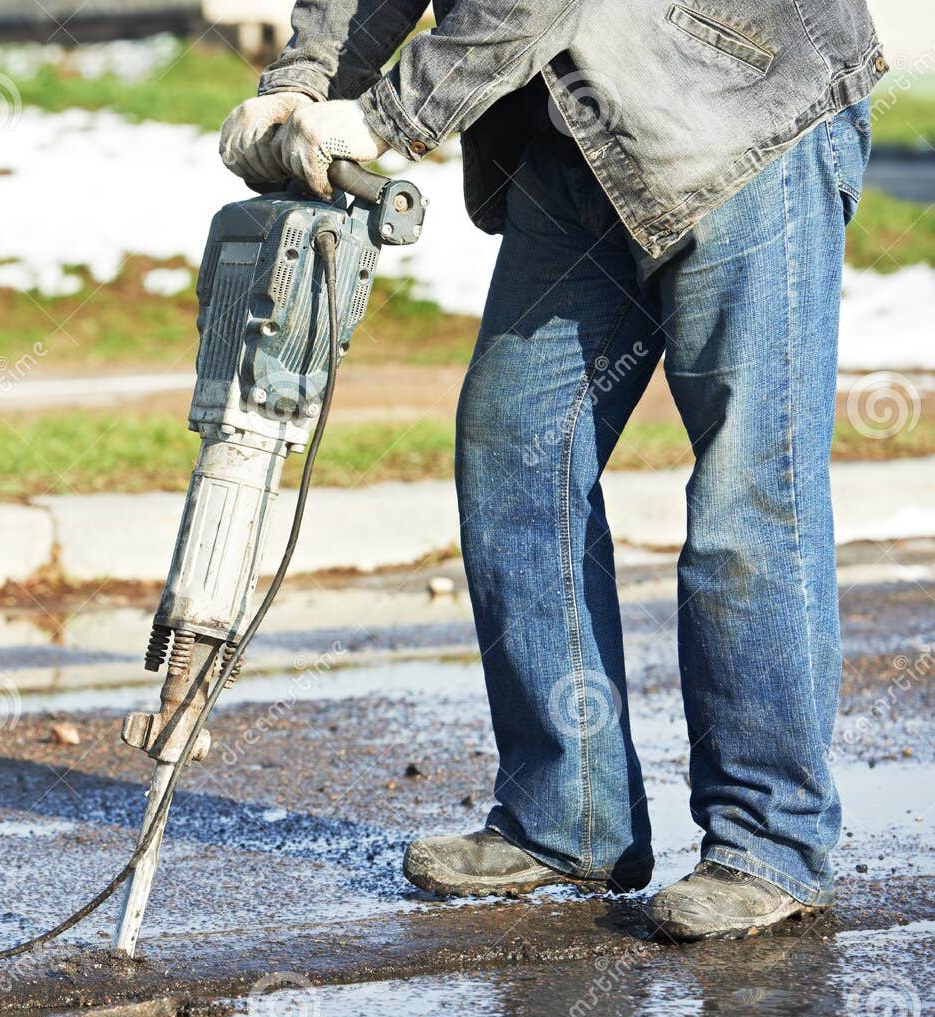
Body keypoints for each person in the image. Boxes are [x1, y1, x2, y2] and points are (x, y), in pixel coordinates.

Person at [219, 1, 886, 940]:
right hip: (577, 138)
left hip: (737, 104)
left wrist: (382, 117)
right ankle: (568, 816)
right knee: (514, 446)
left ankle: (768, 840)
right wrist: (305, 80)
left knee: (749, 491)